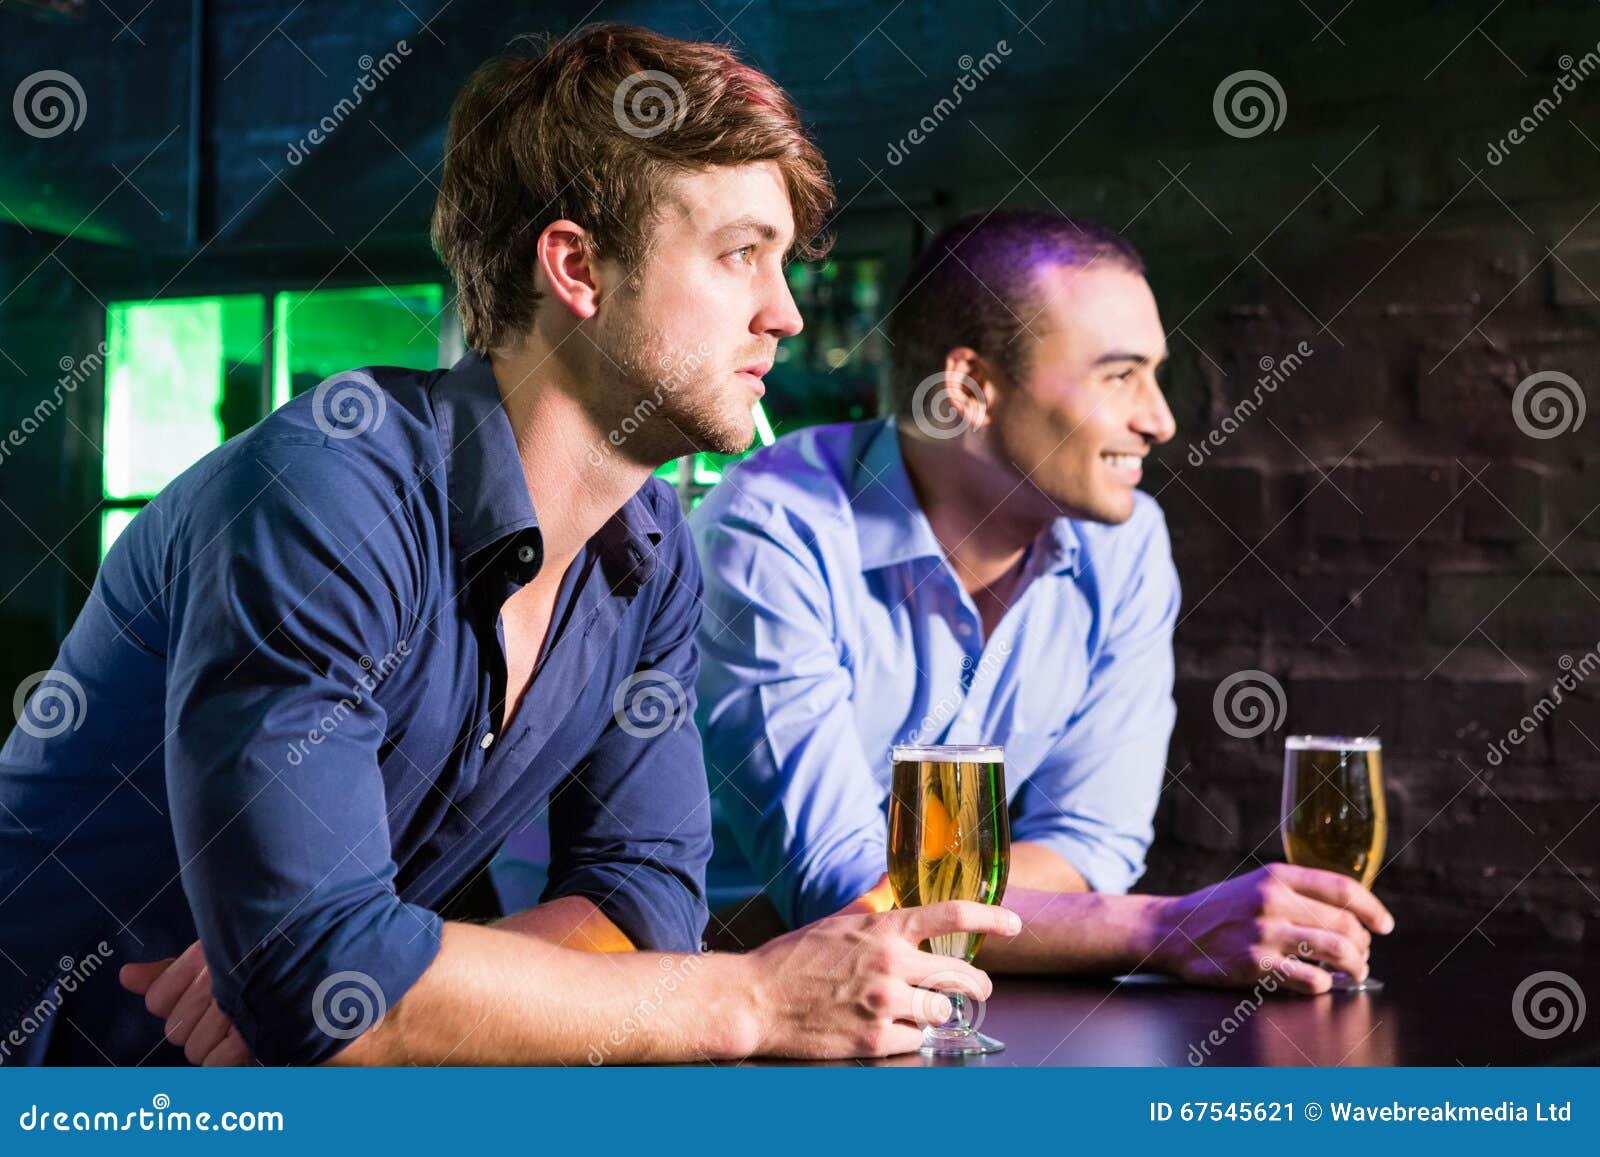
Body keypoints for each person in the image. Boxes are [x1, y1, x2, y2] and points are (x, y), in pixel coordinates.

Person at [0, 24, 1017, 1067]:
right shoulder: (327, 492)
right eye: (738, 255)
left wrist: (396, 976)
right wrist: (750, 999)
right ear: (576, 267)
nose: (787, 314)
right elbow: (324, 981)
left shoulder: (649, 553)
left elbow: (645, 897)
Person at [693, 209, 1392, 993]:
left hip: (941, 1004)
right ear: (971, 387)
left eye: (1154, 375)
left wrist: (906, 905)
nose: (1159, 419)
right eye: (1118, 374)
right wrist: (1167, 925)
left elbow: (1090, 844)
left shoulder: (1122, 544)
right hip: (692, 1012)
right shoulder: (773, 527)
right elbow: (836, 887)